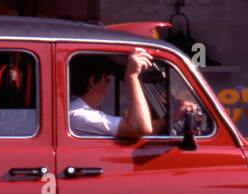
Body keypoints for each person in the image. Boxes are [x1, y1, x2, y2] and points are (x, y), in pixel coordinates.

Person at [68, 49, 197, 139]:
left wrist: (170, 118)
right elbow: (139, 128)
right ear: (92, 82)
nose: (108, 84)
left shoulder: (77, 111)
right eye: (107, 79)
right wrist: (131, 77)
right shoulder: (79, 115)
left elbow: (137, 129)